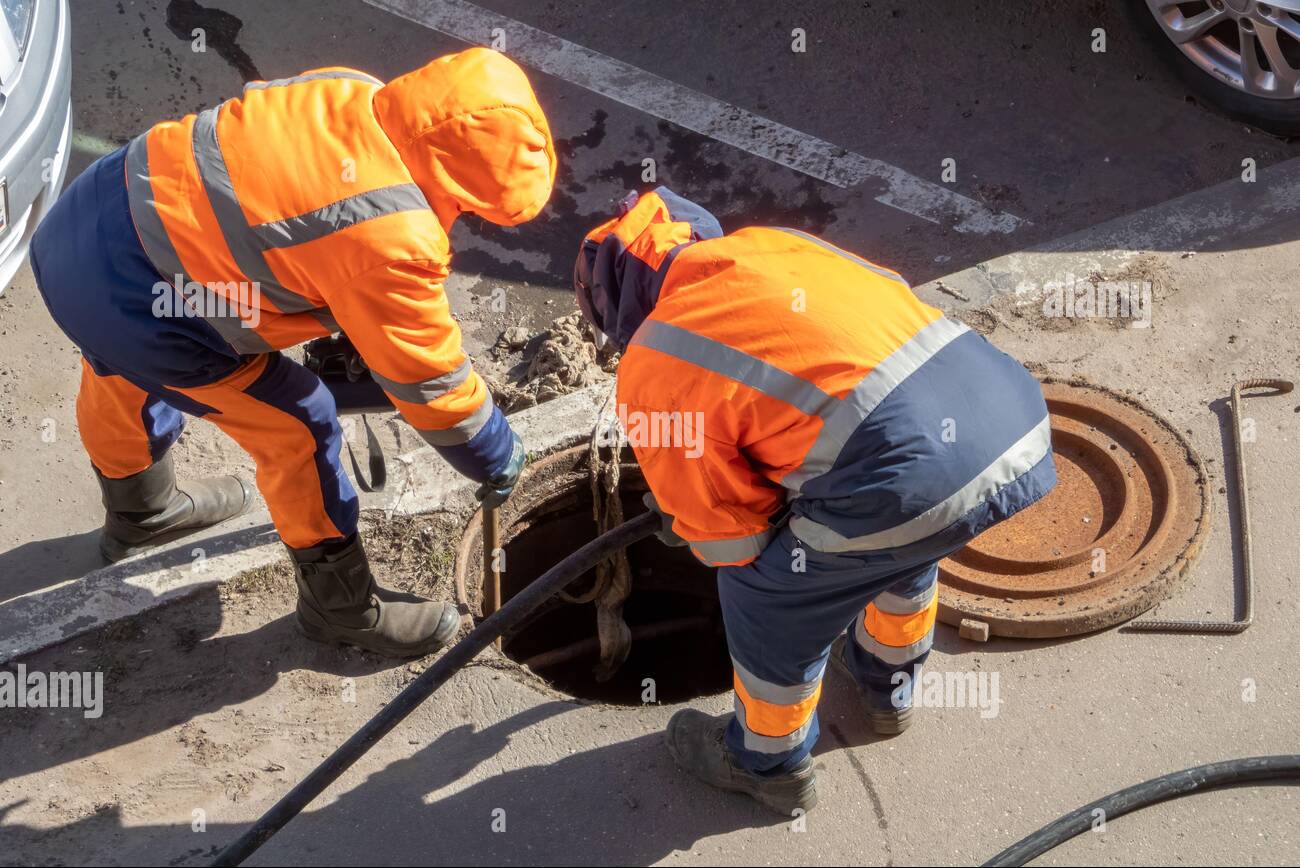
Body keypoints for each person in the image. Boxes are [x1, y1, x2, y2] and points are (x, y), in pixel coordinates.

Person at [30, 48, 556, 659]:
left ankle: (141, 513)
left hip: (91, 221)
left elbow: (282, 215)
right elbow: (432, 382)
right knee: (299, 424)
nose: (462, 219)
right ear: (456, 181)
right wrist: (493, 451)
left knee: (117, 368)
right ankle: (340, 608)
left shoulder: (351, 88)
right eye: (469, 206)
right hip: (140, 301)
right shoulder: (395, 238)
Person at [574, 187, 1056, 814]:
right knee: (898, 545)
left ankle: (766, 762)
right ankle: (889, 690)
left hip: (910, 478)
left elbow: (734, 539)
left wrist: (693, 521)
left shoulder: (655, 358)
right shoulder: (774, 247)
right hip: (1015, 426)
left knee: (765, 593)